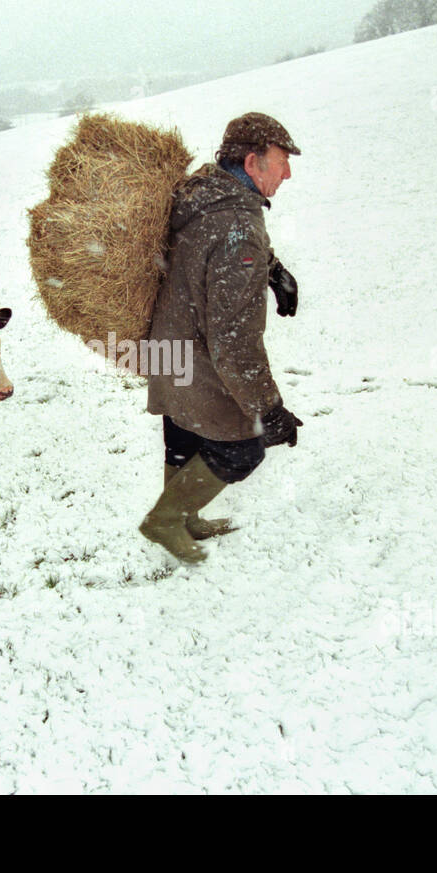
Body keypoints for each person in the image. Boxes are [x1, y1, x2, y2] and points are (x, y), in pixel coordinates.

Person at [140, 112, 304, 563]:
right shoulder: (239, 227)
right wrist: (268, 410)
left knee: (183, 430)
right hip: (200, 358)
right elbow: (234, 343)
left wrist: (272, 269)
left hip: (169, 347)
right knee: (241, 448)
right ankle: (164, 521)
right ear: (252, 163)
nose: (288, 172)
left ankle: (185, 516)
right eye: (282, 161)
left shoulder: (200, 193)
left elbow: (215, 243)